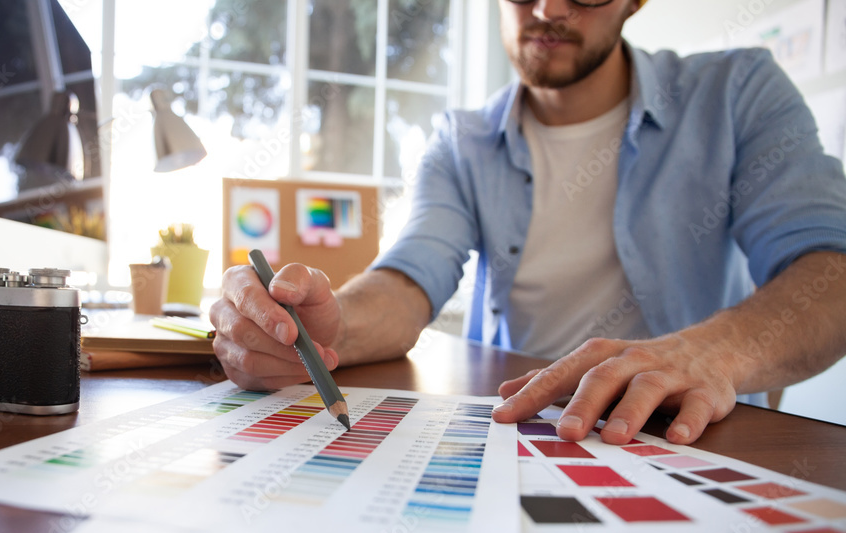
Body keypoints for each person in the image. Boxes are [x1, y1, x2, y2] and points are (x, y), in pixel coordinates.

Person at [210, 0, 846, 446]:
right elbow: (409, 278)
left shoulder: (738, 93)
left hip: (689, 442)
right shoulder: (461, 141)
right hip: (522, 433)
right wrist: (330, 328)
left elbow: (832, 270)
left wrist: (706, 353)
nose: (548, 9)